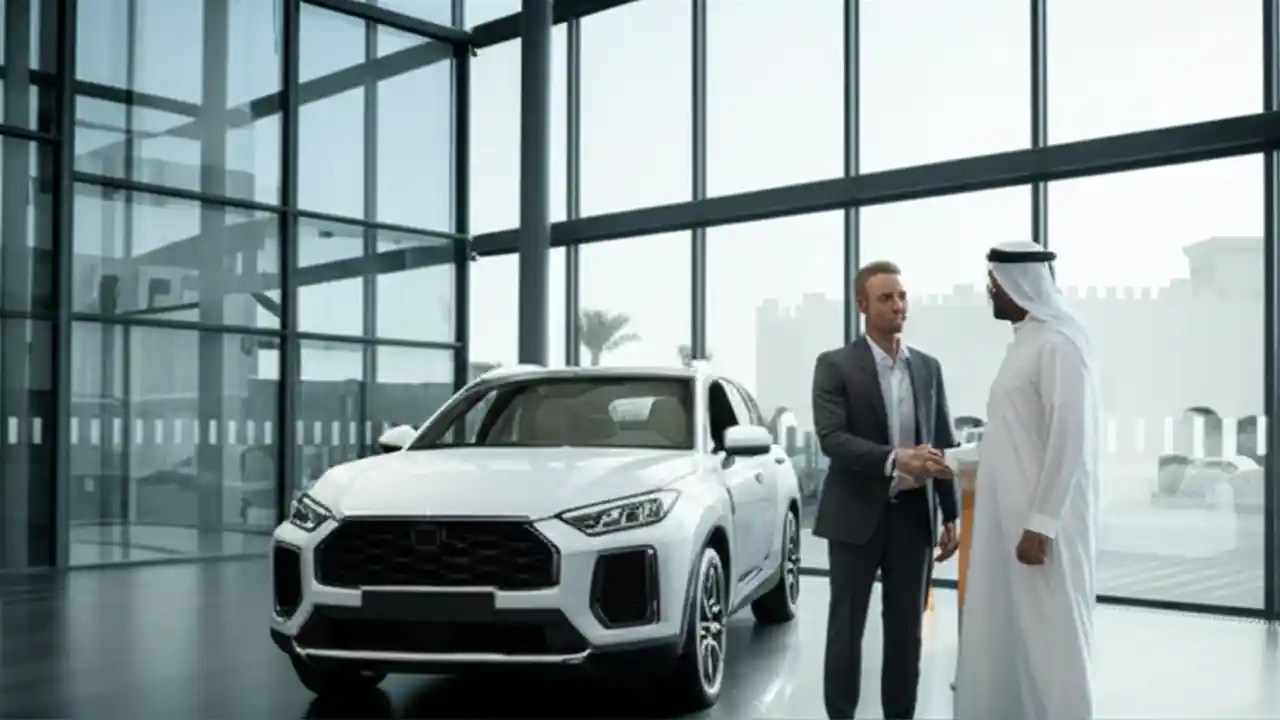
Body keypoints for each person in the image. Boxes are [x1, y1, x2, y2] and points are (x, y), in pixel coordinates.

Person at [952, 240, 1102, 720]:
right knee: (1012, 637)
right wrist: (948, 461)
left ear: (1019, 284)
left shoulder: (1061, 344)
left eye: (993, 283)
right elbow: (1008, 436)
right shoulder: (1025, 345)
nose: (989, 292)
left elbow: (1069, 438)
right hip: (1007, 521)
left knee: (1053, 643)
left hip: (1041, 531)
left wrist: (1042, 523)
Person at [811, 260, 961, 720]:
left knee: (906, 634)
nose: (898, 305)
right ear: (862, 305)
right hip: (855, 516)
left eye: (901, 296)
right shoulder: (834, 365)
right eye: (885, 297)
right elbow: (832, 439)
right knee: (846, 630)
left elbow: (942, 441)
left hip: (914, 519)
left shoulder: (929, 368)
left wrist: (950, 513)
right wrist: (896, 459)